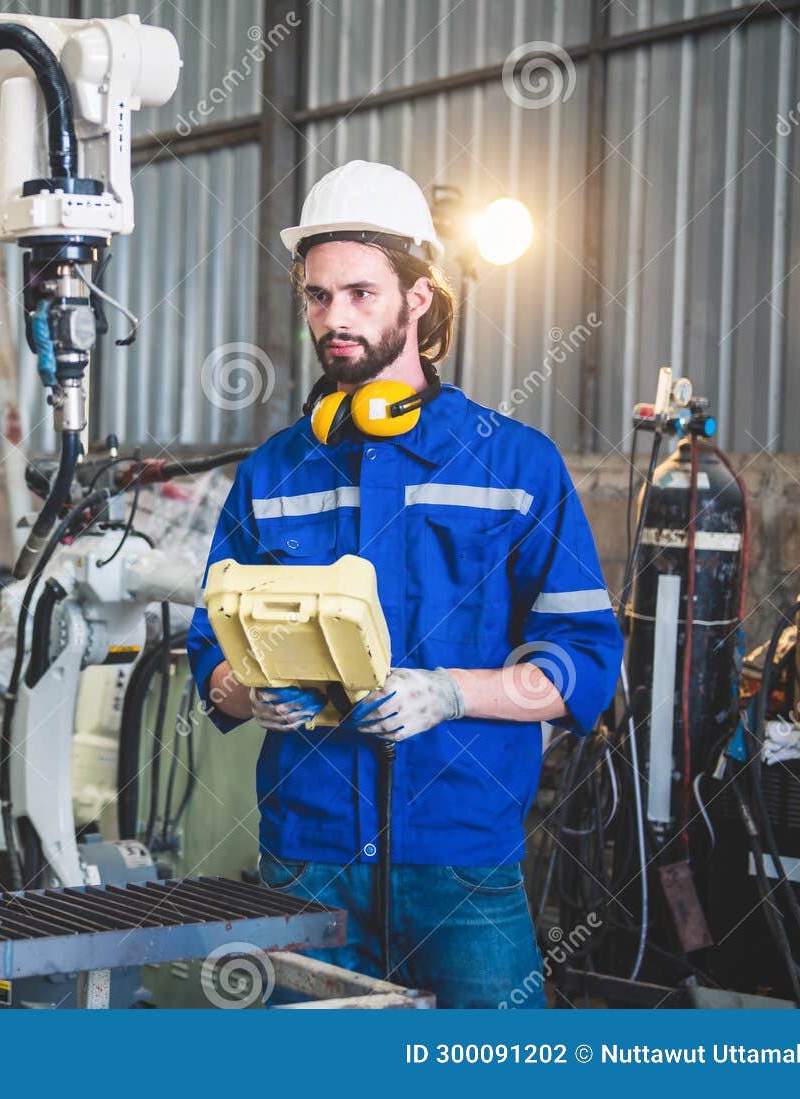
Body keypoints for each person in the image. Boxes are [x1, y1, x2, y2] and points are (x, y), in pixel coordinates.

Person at [187, 160, 623, 1008]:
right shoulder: (275, 472)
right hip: (306, 857)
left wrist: (450, 694)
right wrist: (247, 690)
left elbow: (584, 656)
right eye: (318, 297)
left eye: (360, 293)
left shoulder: (514, 463)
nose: (333, 319)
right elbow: (210, 644)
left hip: (461, 861)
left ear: (419, 299)